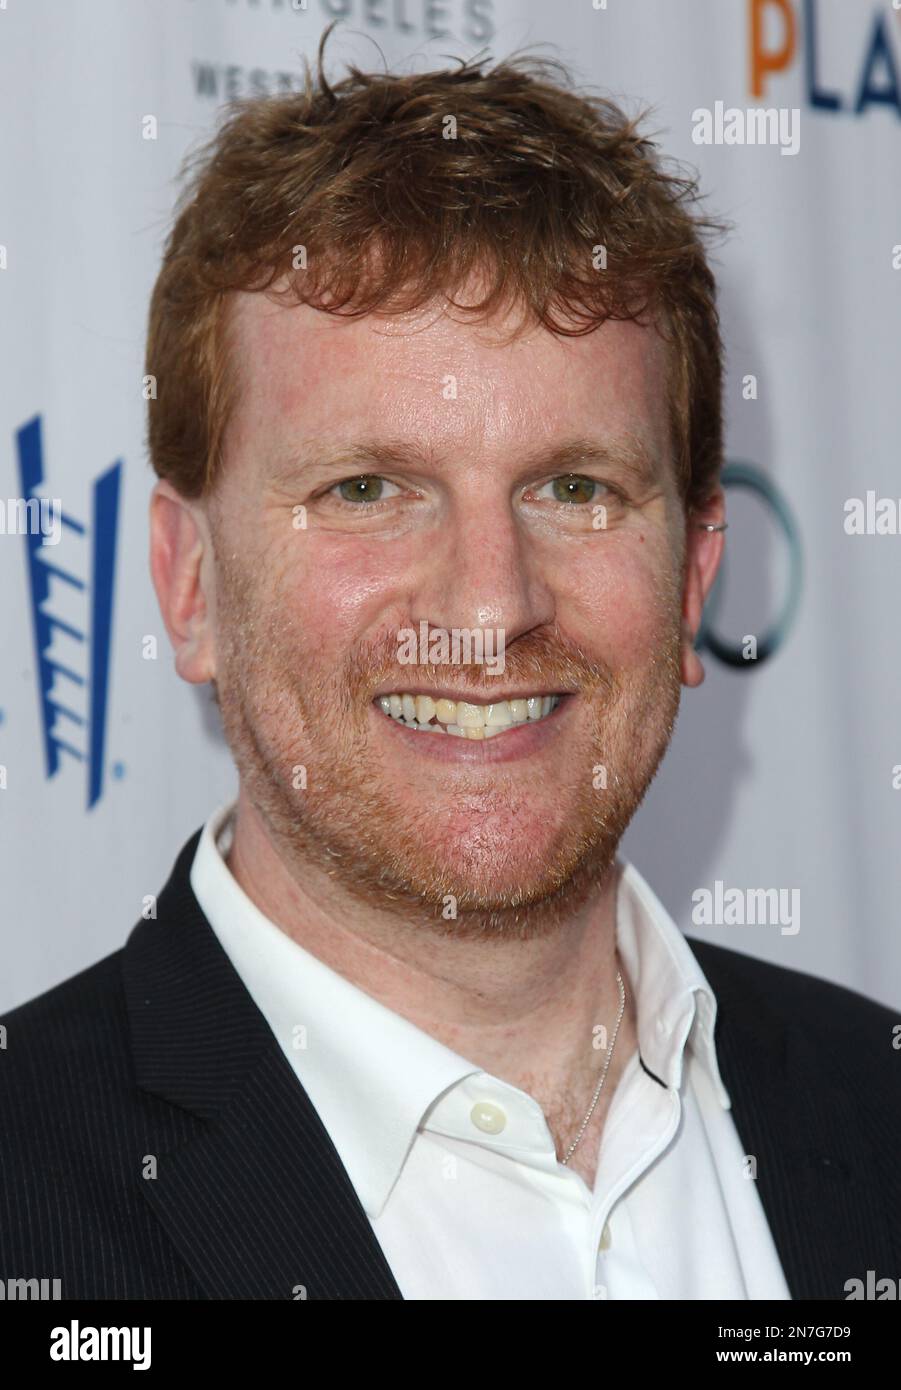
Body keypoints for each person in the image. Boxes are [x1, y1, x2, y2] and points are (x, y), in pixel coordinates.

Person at [2, 28, 898, 1301]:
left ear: (696, 572)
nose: (489, 608)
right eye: (369, 488)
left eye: (576, 487)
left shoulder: (874, 1104)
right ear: (187, 581)